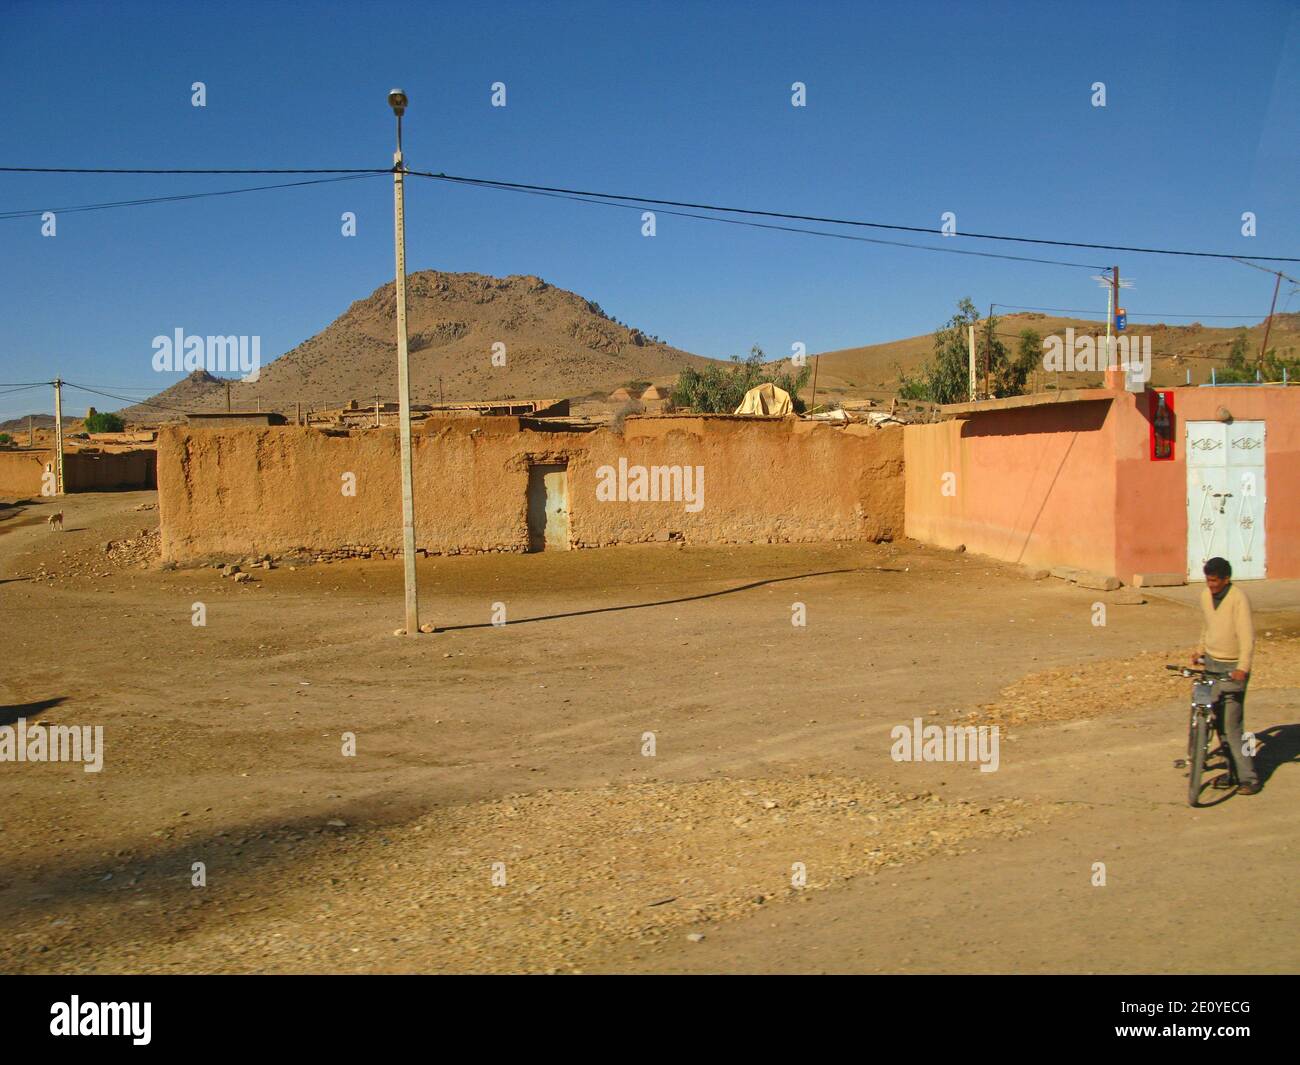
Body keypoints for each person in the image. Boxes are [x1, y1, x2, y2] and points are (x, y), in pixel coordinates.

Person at [1192, 557, 1260, 795]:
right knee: (1214, 720)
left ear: (1226, 579)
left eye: (1214, 580)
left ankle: (1249, 778)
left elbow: (1246, 636)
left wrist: (1243, 667)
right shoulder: (1204, 596)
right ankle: (1229, 772)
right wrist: (1200, 650)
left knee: (1232, 726)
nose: (1210, 585)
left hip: (1232, 668)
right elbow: (1207, 625)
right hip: (1211, 663)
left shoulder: (1238, 599)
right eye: (1208, 580)